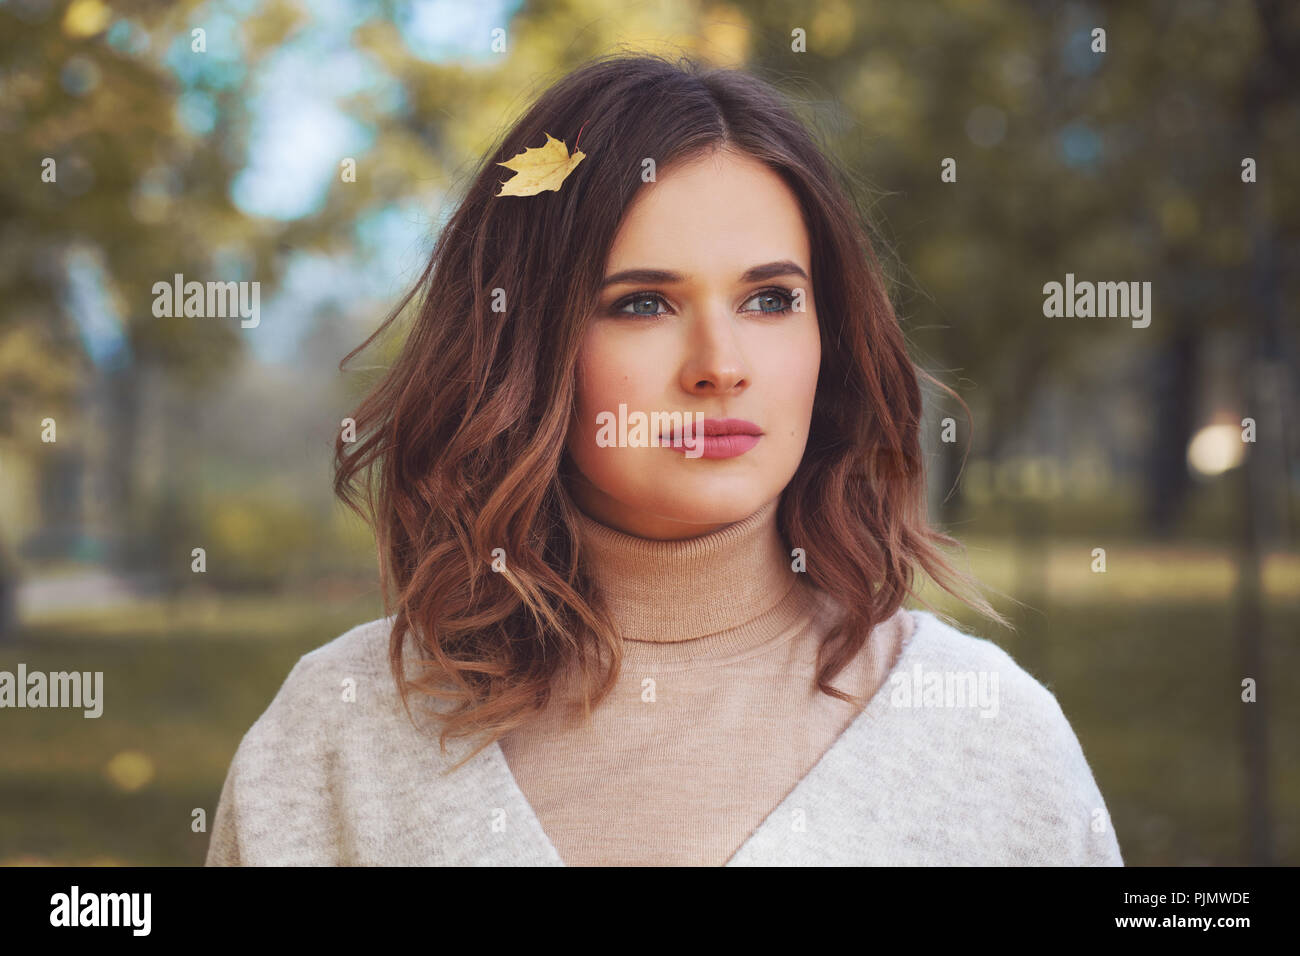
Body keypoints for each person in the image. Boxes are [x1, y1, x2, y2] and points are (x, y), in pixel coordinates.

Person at [206, 53, 1123, 867]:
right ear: (524, 349)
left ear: (827, 337)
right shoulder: (341, 736)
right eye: (642, 304)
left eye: (770, 300)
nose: (721, 366)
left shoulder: (992, 740)